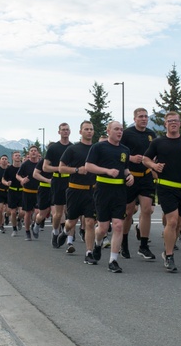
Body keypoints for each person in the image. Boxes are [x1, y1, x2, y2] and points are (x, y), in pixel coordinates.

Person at [141, 112, 181, 273]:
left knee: (178, 223)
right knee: (171, 221)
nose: (173, 123)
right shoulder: (158, 142)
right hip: (165, 187)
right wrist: (154, 166)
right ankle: (170, 256)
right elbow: (145, 159)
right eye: (170, 121)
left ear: (180, 123)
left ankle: (167, 250)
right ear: (165, 124)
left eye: (175, 121)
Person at [85, 121, 135, 273]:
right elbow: (88, 166)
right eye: (116, 129)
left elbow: (125, 169)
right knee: (103, 228)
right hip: (102, 190)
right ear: (108, 131)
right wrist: (106, 171)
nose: (120, 132)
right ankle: (98, 244)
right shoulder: (98, 147)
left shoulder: (125, 150)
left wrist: (130, 176)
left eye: (121, 130)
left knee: (118, 225)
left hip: (119, 191)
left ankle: (113, 260)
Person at [121, 108, 157, 260]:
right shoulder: (127, 134)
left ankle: (143, 246)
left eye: (146, 116)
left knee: (147, 210)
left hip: (146, 176)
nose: (144, 119)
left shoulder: (151, 135)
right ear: (134, 118)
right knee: (129, 211)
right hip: (131, 177)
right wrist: (131, 158)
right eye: (140, 116)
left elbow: (155, 154)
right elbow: (119, 153)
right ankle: (123, 242)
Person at [59, 121, 97, 261]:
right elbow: (61, 168)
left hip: (91, 191)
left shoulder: (96, 149)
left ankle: (89, 253)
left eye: (91, 129)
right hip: (75, 190)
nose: (89, 131)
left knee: (90, 222)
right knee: (71, 222)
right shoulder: (72, 149)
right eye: (86, 129)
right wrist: (76, 170)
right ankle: (64, 231)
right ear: (80, 132)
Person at [42, 123, 71, 248]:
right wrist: (60, 168)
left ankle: (69, 240)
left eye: (67, 130)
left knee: (70, 212)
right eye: (63, 130)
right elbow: (45, 167)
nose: (65, 132)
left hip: (71, 181)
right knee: (58, 214)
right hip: (58, 181)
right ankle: (55, 232)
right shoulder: (53, 148)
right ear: (59, 132)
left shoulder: (73, 148)